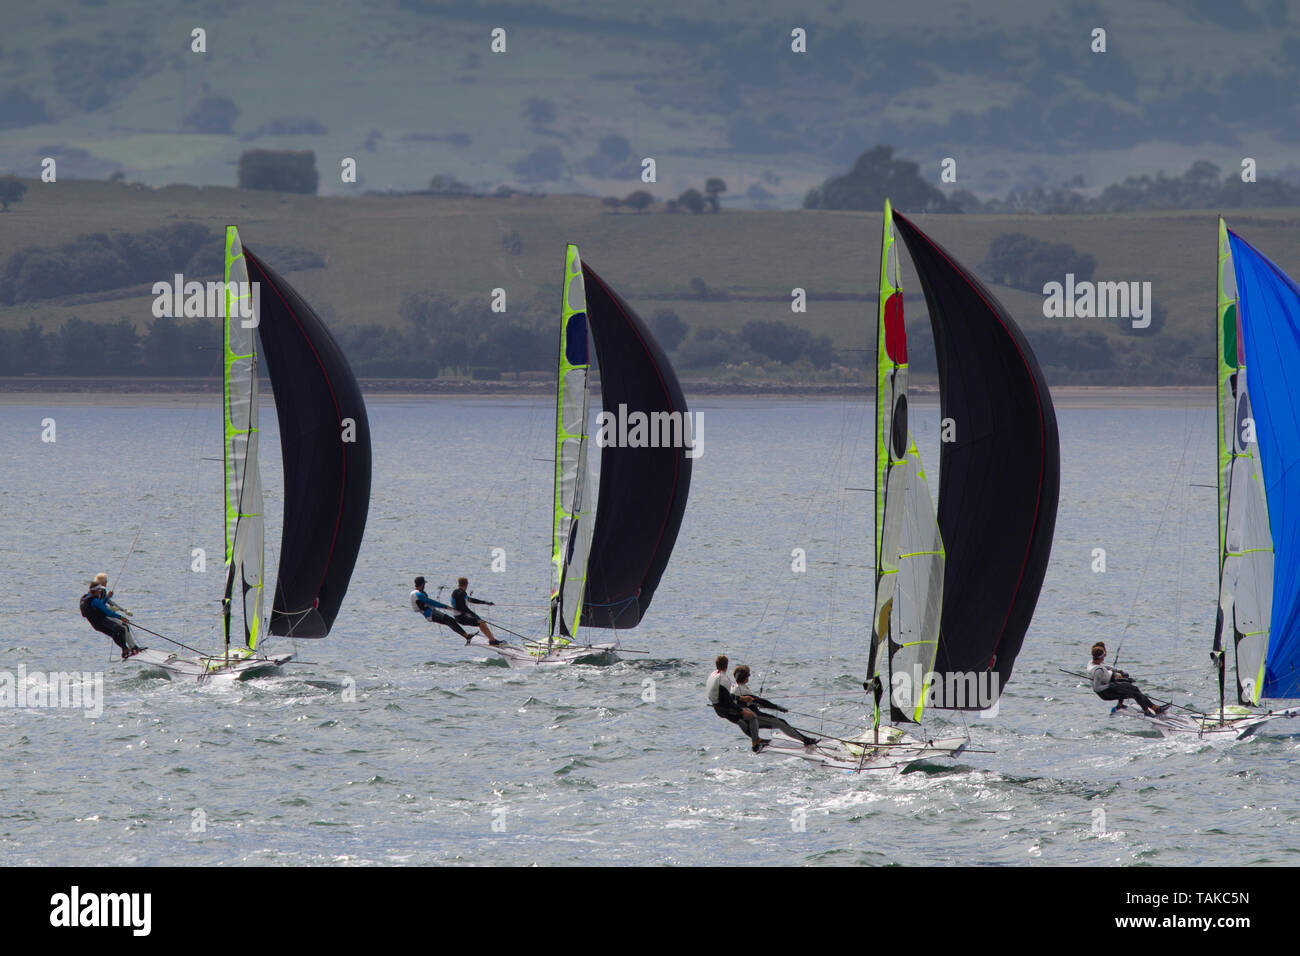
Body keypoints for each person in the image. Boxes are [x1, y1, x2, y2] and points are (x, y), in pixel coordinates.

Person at [733, 665, 817, 747]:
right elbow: (761, 702)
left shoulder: (735, 687)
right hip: (754, 717)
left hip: (747, 717)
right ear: (745, 677)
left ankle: (757, 742)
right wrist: (777, 707)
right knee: (781, 723)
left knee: (780, 723)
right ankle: (806, 741)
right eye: (748, 675)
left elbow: (756, 702)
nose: (749, 677)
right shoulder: (742, 689)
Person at [1088, 642, 1170, 716]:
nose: (1104, 657)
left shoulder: (1093, 662)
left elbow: (1104, 666)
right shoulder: (1098, 671)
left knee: (1131, 686)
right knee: (1134, 692)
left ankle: (1155, 708)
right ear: (1100, 657)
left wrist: (1117, 671)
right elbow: (1096, 688)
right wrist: (1110, 685)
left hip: (1110, 684)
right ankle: (1147, 712)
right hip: (1106, 693)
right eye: (1103, 655)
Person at [707, 655, 766, 751]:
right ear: (727, 665)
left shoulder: (713, 675)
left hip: (717, 708)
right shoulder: (723, 679)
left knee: (740, 721)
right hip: (724, 709)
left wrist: (741, 698)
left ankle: (757, 740)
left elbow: (723, 696)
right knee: (752, 716)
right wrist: (742, 711)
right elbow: (728, 701)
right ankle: (755, 744)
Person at [80, 578, 142, 660]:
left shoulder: (86, 598)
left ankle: (125, 650)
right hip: (102, 622)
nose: (100, 592)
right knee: (121, 629)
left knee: (115, 633)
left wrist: (106, 598)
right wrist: (121, 617)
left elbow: (99, 606)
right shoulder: (95, 600)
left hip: (96, 625)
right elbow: (107, 611)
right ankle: (126, 649)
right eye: (99, 590)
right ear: (96, 590)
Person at [409, 576, 482, 643]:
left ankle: (467, 636)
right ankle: (467, 637)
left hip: (431, 612)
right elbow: (432, 602)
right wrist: (446, 607)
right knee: (450, 621)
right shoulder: (418, 594)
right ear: (422, 584)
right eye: (424, 584)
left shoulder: (415, 593)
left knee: (450, 621)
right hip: (430, 614)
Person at [450, 576, 497, 645]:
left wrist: (485, 602)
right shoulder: (461, 593)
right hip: (461, 617)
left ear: (459, 584)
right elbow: (462, 608)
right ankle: (492, 641)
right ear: (466, 585)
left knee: (481, 622)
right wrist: (474, 615)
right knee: (482, 623)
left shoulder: (457, 592)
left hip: (460, 616)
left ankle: (492, 639)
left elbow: (471, 600)